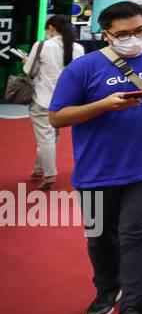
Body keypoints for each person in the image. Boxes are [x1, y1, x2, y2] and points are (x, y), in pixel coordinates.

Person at [48, 0, 142, 314]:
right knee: (98, 237)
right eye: (123, 34)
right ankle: (106, 288)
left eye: (140, 30)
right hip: (95, 172)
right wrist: (102, 106)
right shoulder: (83, 69)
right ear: (107, 35)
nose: (134, 38)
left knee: (137, 236)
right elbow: (57, 116)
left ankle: (135, 309)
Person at [23, 14, 85, 190]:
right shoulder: (78, 48)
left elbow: (29, 70)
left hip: (43, 99)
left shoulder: (42, 45)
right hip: (69, 101)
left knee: (45, 137)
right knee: (51, 137)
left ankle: (49, 173)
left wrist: (26, 61)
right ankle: (38, 168)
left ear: (50, 28)